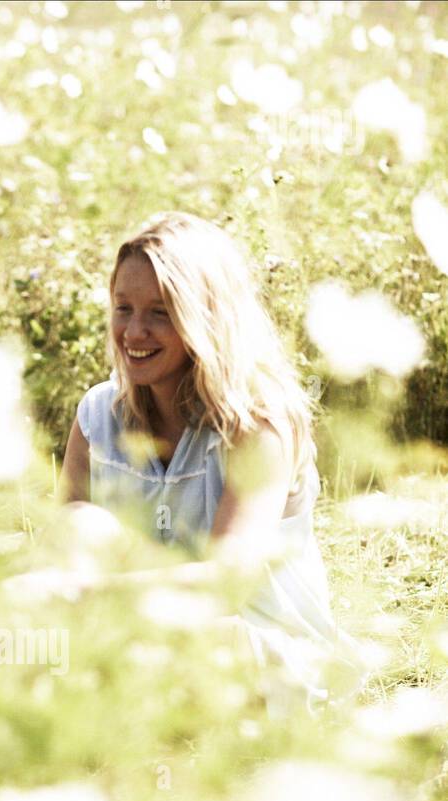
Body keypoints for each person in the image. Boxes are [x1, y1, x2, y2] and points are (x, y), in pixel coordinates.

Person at [60, 212, 365, 708]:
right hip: (142, 632)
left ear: (206, 318)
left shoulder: (257, 425)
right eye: (123, 308)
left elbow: (226, 584)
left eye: (161, 312)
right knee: (78, 532)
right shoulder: (99, 413)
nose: (134, 332)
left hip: (252, 644)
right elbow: (65, 542)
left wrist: (81, 597)